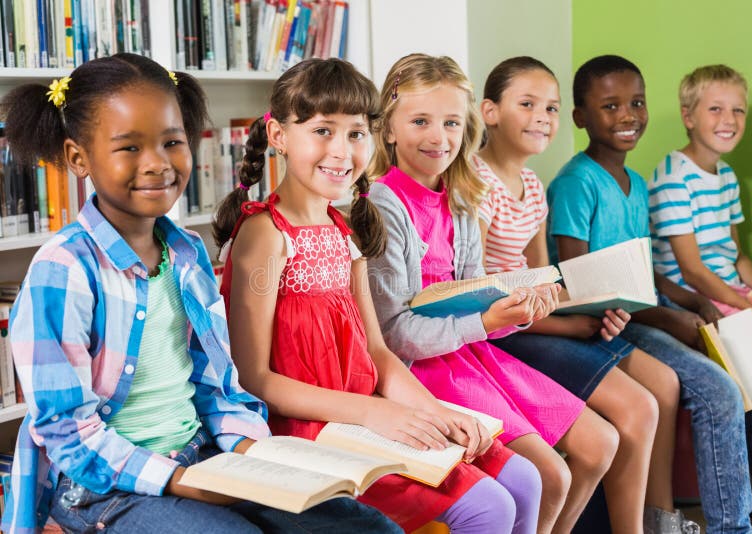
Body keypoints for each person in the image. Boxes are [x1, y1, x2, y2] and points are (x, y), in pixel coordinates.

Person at [0, 53, 400, 534]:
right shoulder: (63, 270)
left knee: (368, 528)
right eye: (129, 147)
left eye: (172, 141)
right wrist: (182, 481)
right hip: (103, 488)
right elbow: (68, 433)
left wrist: (259, 456)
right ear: (77, 158)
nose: (158, 163)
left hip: (202, 456)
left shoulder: (187, 254)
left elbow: (219, 386)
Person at [214, 57, 542, 534]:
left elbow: (378, 351)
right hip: (311, 429)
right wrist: (374, 411)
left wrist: (433, 411)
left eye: (355, 133)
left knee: (524, 480)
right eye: (323, 130)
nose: (342, 151)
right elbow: (254, 378)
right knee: (487, 507)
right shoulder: (265, 235)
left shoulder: (346, 229)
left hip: (371, 413)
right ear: (279, 137)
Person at [356, 52, 623, 534]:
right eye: (420, 121)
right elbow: (395, 336)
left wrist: (519, 310)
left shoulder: (460, 199)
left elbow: (478, 293)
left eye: (452, 123)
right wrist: (489, 321)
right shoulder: (382, 205)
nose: (439, 138)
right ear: (389, 129)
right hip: (423, 370)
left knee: (599, 443)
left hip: (473, 355)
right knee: (550, 474)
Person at [547, 54, 752, 534]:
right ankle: (730, 526)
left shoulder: (636, 184)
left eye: (637, 103)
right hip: (618, 327)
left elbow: (644, 269)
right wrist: (668, 318)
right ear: (581, 117)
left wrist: (693, 303)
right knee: (719, 391)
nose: (628, 116)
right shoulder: (575, 184)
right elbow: (582, 284)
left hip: (652, 311)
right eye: (611, 105)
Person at [475, 55, 685, 534]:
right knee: (637, 407)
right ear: (489, 112)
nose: (541, 118)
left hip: (538, 315)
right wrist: (570, 323)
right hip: (502, 332)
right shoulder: (476, 184)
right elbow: (488, 300)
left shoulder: (531, 185)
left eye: (549, 108)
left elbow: (540, 276)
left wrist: (596, 311)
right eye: (527, 104)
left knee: (651, 393)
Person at [648, 64, 752, 426]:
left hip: (731, 290)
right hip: (695, 295)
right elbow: (694, 271)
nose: (728, 119)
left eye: (738, 110)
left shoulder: (727, 177)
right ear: (688, 116)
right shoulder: (673, 177)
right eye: (715, 108)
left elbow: (736, 255)